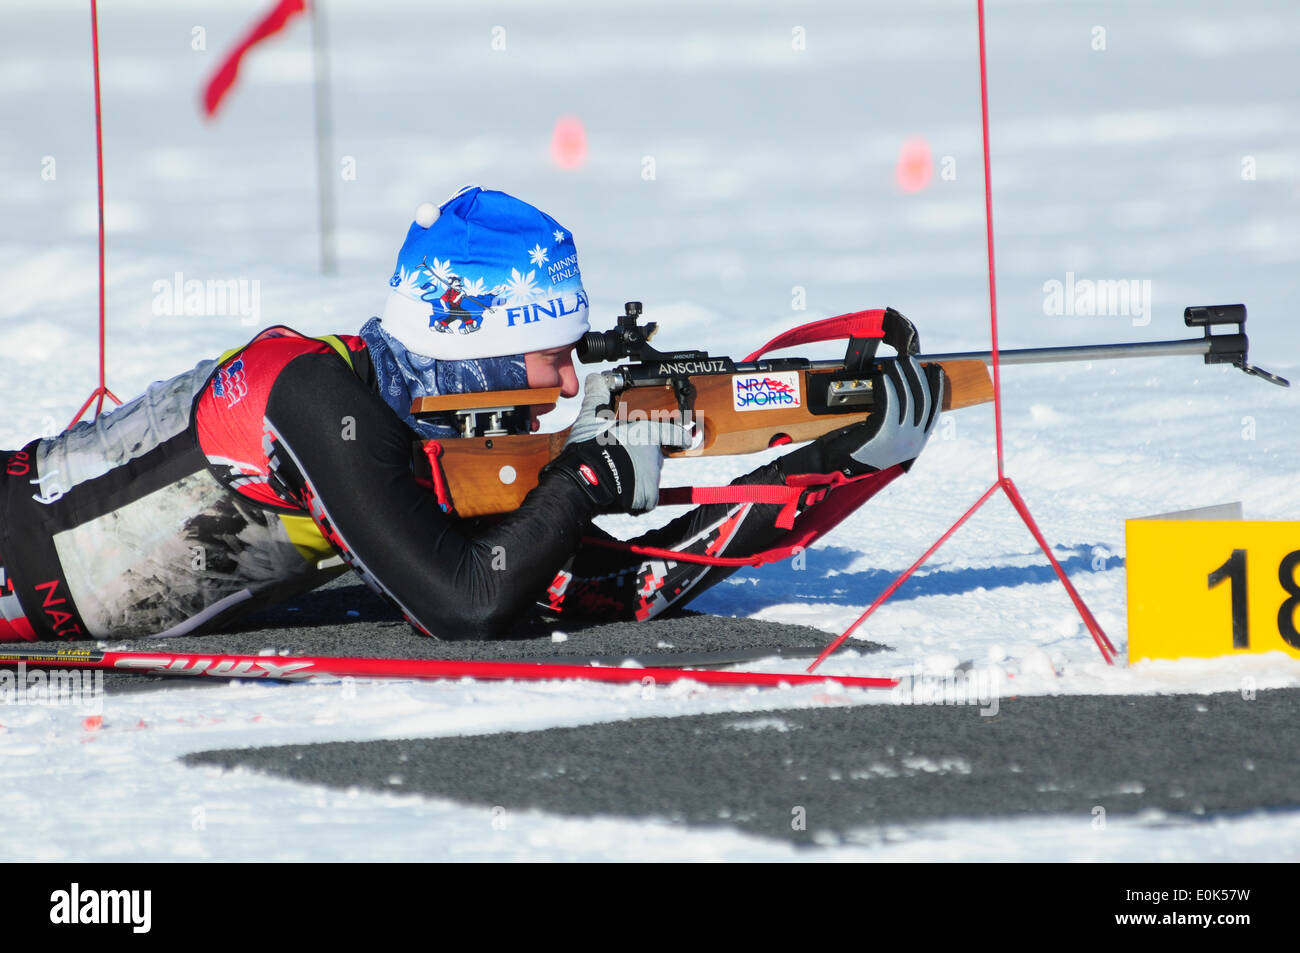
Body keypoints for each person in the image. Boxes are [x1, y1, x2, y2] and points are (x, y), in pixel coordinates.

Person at [0, 185, 943, 643]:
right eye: (554, 353)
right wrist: (588, 479)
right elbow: (465, 600)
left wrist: (853, 460)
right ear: (479, 347)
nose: (571, 377)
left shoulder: (416, 420)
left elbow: (625, 589)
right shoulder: (319, 400)